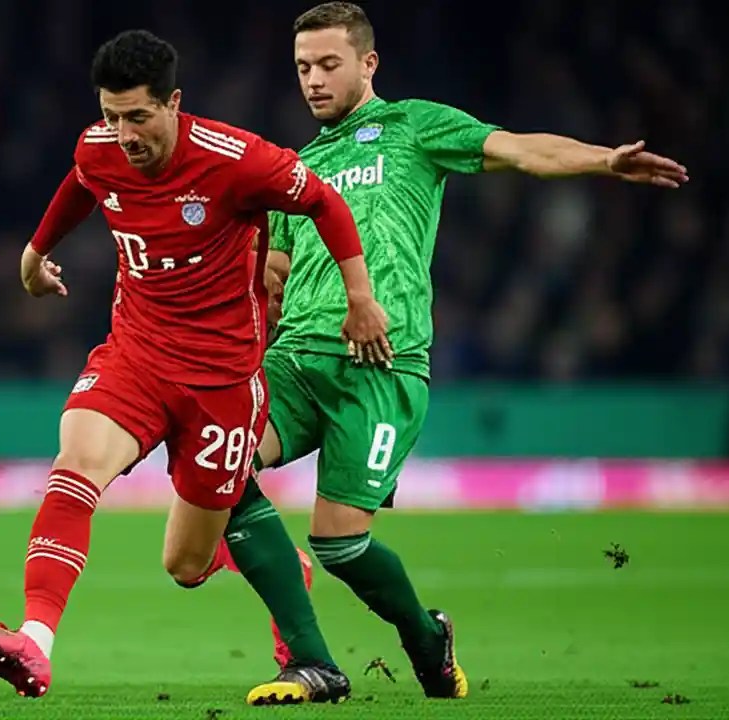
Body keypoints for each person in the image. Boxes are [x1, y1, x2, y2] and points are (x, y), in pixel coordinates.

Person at [235, 1, 690, 705]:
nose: (314, 81)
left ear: (368, 63)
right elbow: (276, 274)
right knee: (220, 470)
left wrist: (603, 159)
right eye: (303, 68)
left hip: (380, 369)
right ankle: (309, 660)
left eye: (329, 64)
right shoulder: (299, 167)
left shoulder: (416, 124)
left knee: (339, 546)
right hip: (295, 359)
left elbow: (519, 151)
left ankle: (425, 637)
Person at [0, 28, 391, 699]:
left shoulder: (238, 159)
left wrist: (358, 297)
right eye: (110, 115)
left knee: (186, 565)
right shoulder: (98, 148)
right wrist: (33, 252)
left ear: (173, 103)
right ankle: (35, 641)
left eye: (137, 116)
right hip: (136, 353)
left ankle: (277, 567)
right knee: (74, 466)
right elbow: (83, 182)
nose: (123, 134)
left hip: (222, 382)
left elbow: (324, 203)